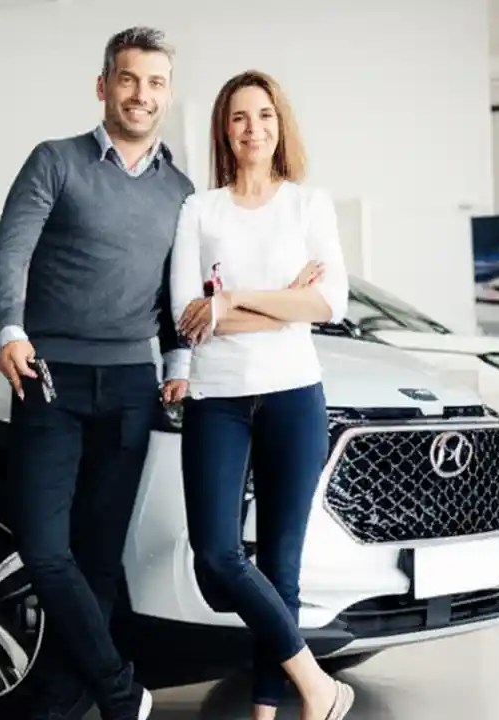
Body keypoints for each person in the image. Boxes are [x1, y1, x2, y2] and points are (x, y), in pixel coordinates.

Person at [0, 26, 194, 720]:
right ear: (104, 86)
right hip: (49, 379)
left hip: (133, 386)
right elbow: (9, 252)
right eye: (129, 80)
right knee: (46, 551)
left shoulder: (180, 191)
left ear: (167, 93)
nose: (142, 95)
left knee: (98, 562)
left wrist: (180, 361)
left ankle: (58, 706)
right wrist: (10, 329)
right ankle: (118, 689)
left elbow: (176, 294)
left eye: (155, 83)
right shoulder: (56, 162)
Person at [166, 69, 355, 720]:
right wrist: (285, 303)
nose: (255, 128)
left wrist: (236, 299)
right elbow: (186, 313)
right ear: (225, 127)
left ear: (281, 125)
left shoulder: (309, 204)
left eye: (266, 115)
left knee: (282, 567)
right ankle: (320, 686)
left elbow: (330, 302)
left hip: (294, 396)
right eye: (242, 116)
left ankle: (268, 712)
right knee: (217, 554)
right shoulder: (200, 209)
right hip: (217, 397)